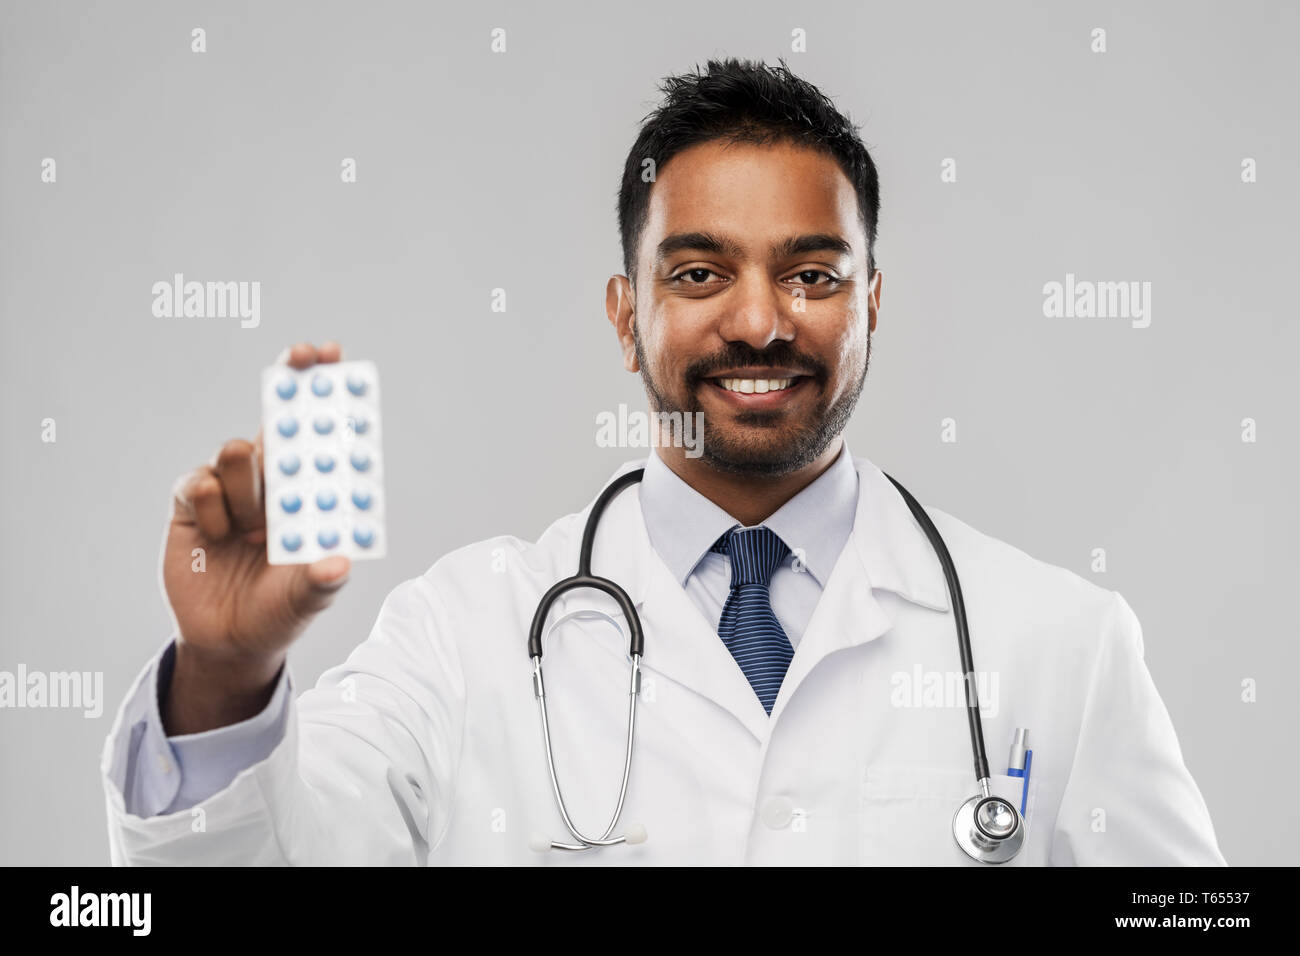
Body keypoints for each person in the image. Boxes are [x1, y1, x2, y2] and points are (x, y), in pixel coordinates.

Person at [101, 58, 1225, 865]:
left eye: (814, 274)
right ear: (623, 314)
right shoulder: (460, 640)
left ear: (873, 306)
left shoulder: (1058, 643)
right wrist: (224, 682)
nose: (757, 322)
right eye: (696, 273)